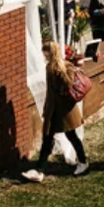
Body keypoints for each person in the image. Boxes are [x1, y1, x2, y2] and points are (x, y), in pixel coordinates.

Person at [22, 42, 89, 181]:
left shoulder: (65, 66)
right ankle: (39, 171)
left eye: (45, 52)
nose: (44, 55)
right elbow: (50, 93)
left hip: (65, 111)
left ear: (49, 52)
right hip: (54, 111)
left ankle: (83, 162)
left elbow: (68, 84)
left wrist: (60, 71)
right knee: (47, 139)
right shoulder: (50, 67)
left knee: (72, 137)